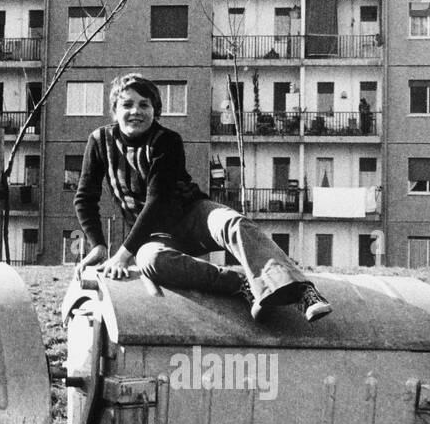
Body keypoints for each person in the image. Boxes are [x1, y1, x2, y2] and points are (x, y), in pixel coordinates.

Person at [74, 73, 331, 323]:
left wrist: (121, 255)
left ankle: (300, 292)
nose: (136, 111)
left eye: (144, 105)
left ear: (156, 110)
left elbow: (157, 201)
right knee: (150, 260)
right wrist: (98, 245)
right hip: (155, 235)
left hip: (193, 215)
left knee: (234, 223)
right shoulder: (99, 142)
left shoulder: (166, 141)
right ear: (114, 110)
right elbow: (85, 198)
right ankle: (244, 287)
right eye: (127, 105)